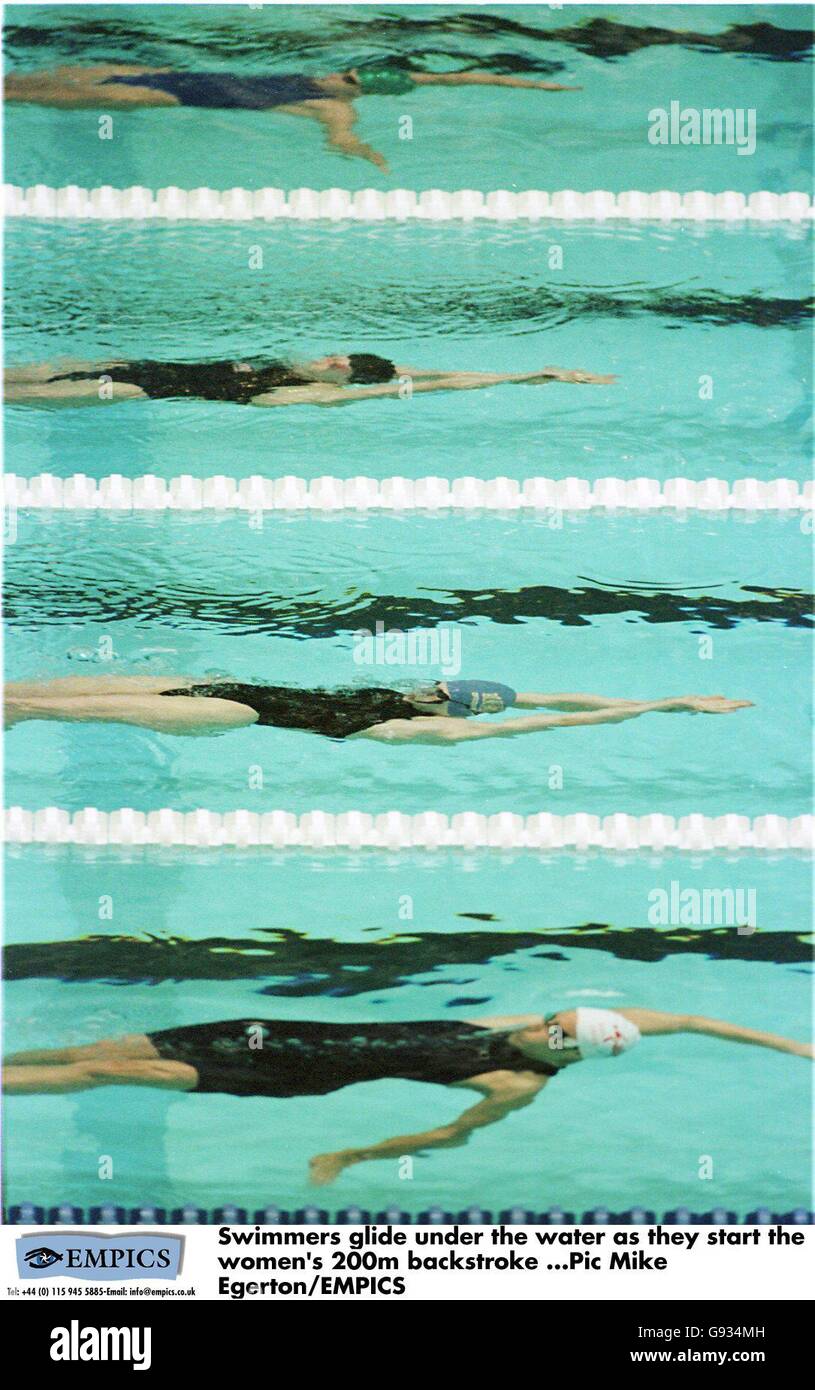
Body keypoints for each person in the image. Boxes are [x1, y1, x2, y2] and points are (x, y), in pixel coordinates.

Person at [5, 1006, 811, 1185]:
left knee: (111, 1074)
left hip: (294, 1071)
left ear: (563, 1050)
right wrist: (790, 1043)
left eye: (548, 1023)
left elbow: (449, 1137)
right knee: (99, 1049)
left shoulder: (514, 1083)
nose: (533, 1017)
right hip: (276, 1026)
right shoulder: (556, 1032)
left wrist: (354, 1154)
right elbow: (690, 1021)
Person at [4, 62, 579, 169]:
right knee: (46, 75)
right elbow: (457, 78)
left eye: (349, 80)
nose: (338, 76)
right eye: (346, 70)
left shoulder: (332, 106)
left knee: (19, 97)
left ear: (358, 91)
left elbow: (341, 138)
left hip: (178, 96)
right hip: (170, 70)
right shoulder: (328, 75)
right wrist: (535, 83)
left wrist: (363, 152)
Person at [3, 676, 751, 743]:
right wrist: (672, 698)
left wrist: (652, 713)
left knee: (40, 712)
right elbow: (550, 695)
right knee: (45, 693)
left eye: (441, 694)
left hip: (240, 717)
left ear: (448, 714)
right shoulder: (413, 704)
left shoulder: (408, 732)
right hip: (236, 685)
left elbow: (549, 721)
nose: (430, 687)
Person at [3, 355, 614, 408]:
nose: (327, 359)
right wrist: (538, 371)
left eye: (338, 363)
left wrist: (522, 381)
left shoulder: (309, 392)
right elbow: (422, 371)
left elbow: (427, 387)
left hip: (144, 390)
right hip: (137, 365)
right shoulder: (302, 366)